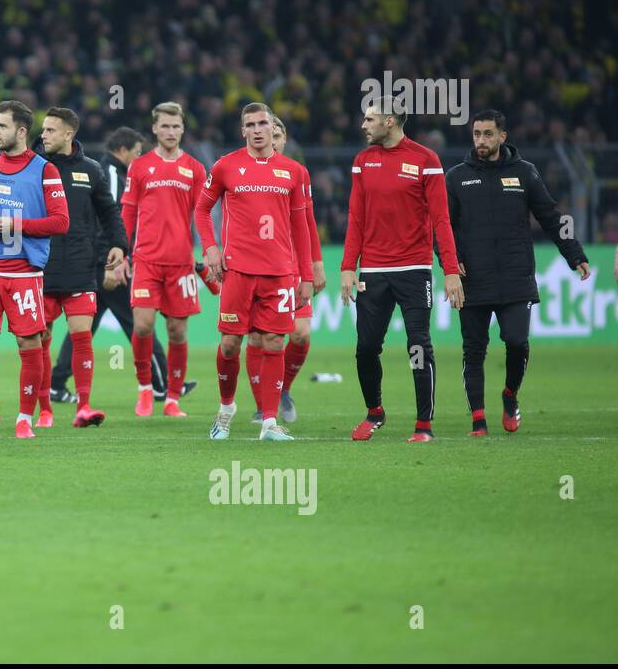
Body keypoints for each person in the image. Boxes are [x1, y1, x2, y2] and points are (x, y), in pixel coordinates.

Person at [446, 110, 589, 436]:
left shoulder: (525, 173)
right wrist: (449, 262)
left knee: (517, 341)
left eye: (487, 134)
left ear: (502, 137)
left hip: (515, 276)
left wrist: (574, 254)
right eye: (476, 134)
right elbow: (442, 227)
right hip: (473, 279)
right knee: (474, 350)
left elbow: (551, 216)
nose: (481, 140)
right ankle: (478, 421)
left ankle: (510, 395)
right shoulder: (456, 177)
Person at [339, 100, 463, 443]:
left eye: (370, 119)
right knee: (366, 347)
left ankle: (424, 424)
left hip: (414, 271)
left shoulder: (426, 160)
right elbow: (356, 218)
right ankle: (374, 411)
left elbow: (441, 220)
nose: (363, 125)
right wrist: (348, 266)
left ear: (390, 122)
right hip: (373, 271)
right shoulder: (363, 161)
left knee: (418, 346)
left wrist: (449, 270)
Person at [196, 103, 314, 441]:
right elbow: (202, 209)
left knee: (274, 341)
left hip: (279, 273)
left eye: (264, 123)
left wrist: (305, 275)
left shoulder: (294, 171)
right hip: (238, 271)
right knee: (232, 343)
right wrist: (211, 248)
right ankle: (225, 409)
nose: (259, 129)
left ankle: (269, 422)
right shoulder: (225, 166)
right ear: (243, 130)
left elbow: (301, 228)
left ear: (272, 128)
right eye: (251, 124)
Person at [0, 101, 70, 438]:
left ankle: (24, 416)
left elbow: (60, 222)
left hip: (23, 272)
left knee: (28, 343)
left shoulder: (44, 170)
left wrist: (13, 224)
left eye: (2, 126)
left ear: (21, 131)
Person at [52, 126, 175, 404]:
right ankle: (162, 385)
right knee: (138, 323)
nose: (139, 158)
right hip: (107, 264)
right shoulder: (109, 174)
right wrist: (110, 262)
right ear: (122, 150)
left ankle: (56, 383)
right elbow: (106, 221)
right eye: (137, 153)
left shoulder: (108, 172)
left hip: (98, 262)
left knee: (84, 329)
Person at [33, 107, 126, 427]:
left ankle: (83, 406)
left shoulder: (91, 170)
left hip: (80, 265)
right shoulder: (33, 167)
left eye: (50, 131)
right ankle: (44, 409)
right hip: (40, 266)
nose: (43, 135)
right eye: (43, 130)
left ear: (68, 134)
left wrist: (118, 245)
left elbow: (110, 211)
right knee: (40, 337)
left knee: (81, 334)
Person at [120, 102, 210, 417]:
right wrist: (122, 250)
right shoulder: (140, 166)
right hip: (146, 259)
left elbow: (202, 215)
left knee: (177, 332)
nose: (170, 132)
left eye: (176, 126)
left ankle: (172, 399)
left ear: (182, 129)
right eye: (165, 126)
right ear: (155, 129)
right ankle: (146, 389)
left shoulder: (196, 169)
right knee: (143, 326)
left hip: (181, 263)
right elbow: (128, 211)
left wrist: (209, 249)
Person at [245, 114, 326, 423]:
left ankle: (283, 389)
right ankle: (259, 405)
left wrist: (315, 265)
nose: (272, 138)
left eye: (277, 134)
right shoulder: (247, 173)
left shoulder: (296, 175)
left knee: (300, 334)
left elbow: (308, 223)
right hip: (254, 265)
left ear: (283, 140)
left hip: (292, 266)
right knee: (256, 338)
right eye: (269, 132)